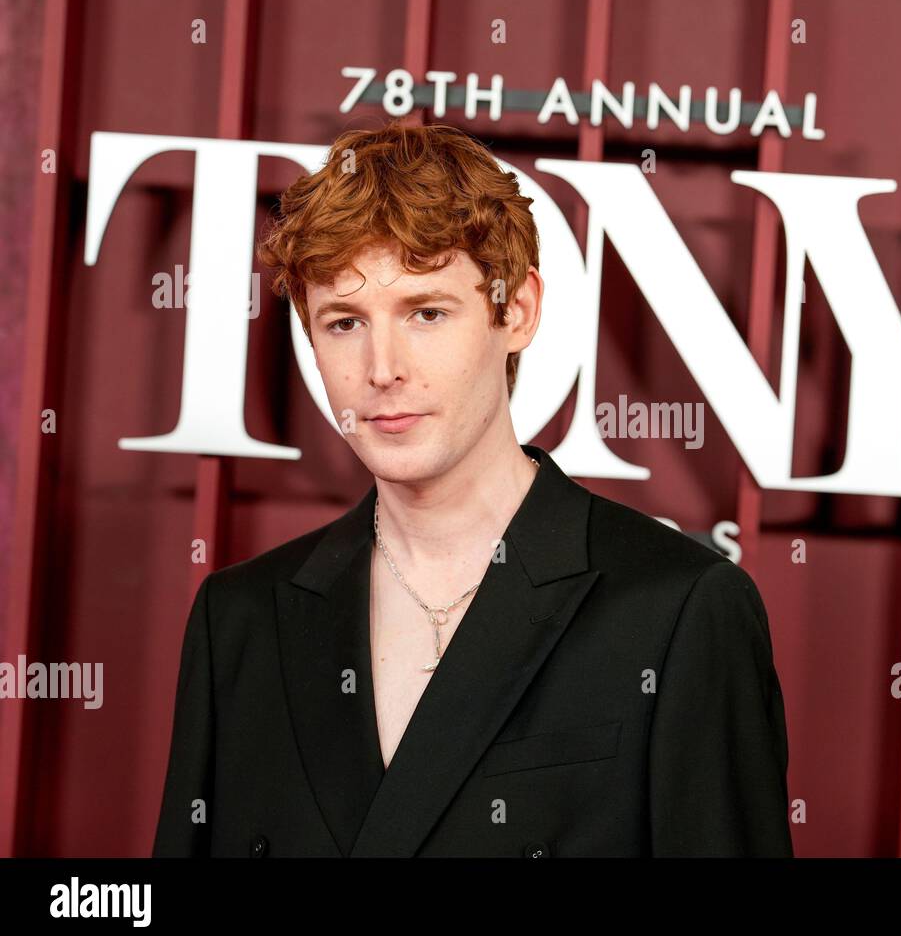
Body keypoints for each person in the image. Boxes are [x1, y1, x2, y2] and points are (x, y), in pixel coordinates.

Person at [151, 121, 793, 857]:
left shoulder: (679, 608)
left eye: (426, 313)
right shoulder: (238, 621)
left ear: (515, 311)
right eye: (344, 321)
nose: (382, 367)